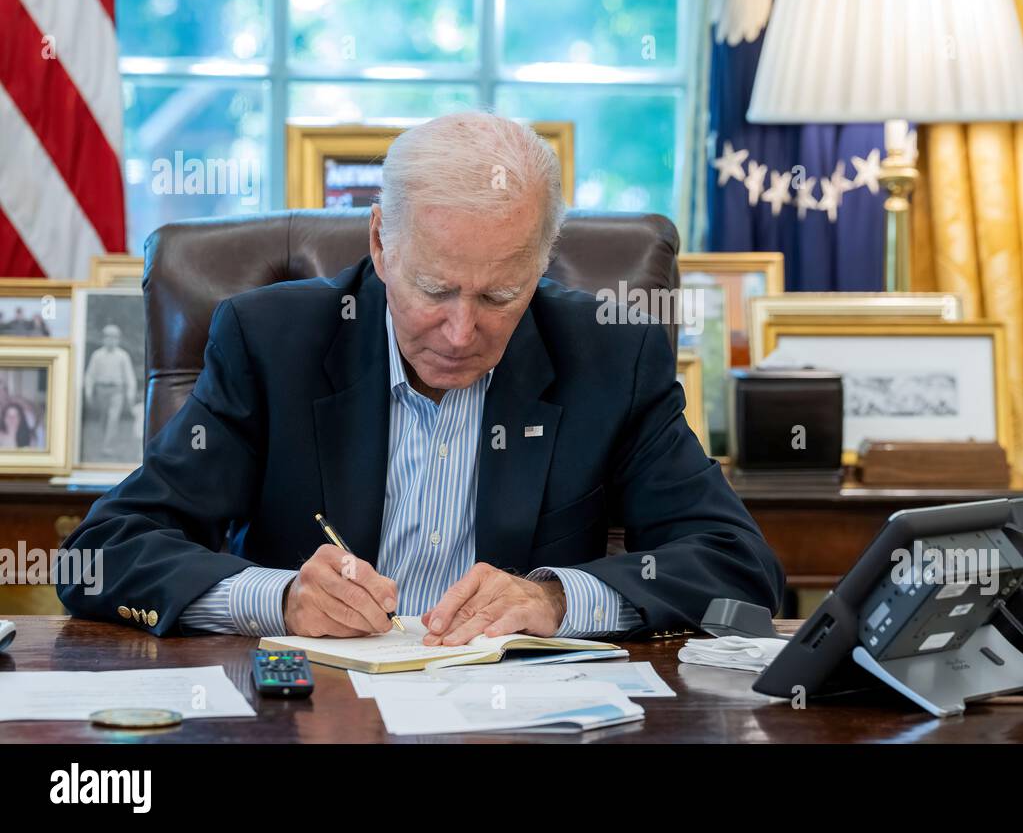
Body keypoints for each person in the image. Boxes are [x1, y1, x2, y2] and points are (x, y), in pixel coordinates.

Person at [59, 112, 784, 643]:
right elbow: (103, 552)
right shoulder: (271, 342)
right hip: (316, 718)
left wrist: (559, 602)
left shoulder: (608, 356)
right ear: (380, 241)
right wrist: (277, 599)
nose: (461, 332)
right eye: (434, 290)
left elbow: (741, 567)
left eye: (500, 297)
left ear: (540, 264)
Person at [82, 324, 136, 461]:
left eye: (114, 337)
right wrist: (88, 391)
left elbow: (129, 376)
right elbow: (90, 375)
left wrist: (130, 393)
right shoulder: (97, 355)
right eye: (108, 337)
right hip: (101, 390)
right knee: (104, 419)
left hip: (117, 390)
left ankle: (108, 447)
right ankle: (104, 441)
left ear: (118, 339)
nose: (111, 340)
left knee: (113, 417)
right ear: (103, 339)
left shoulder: (123, 356)